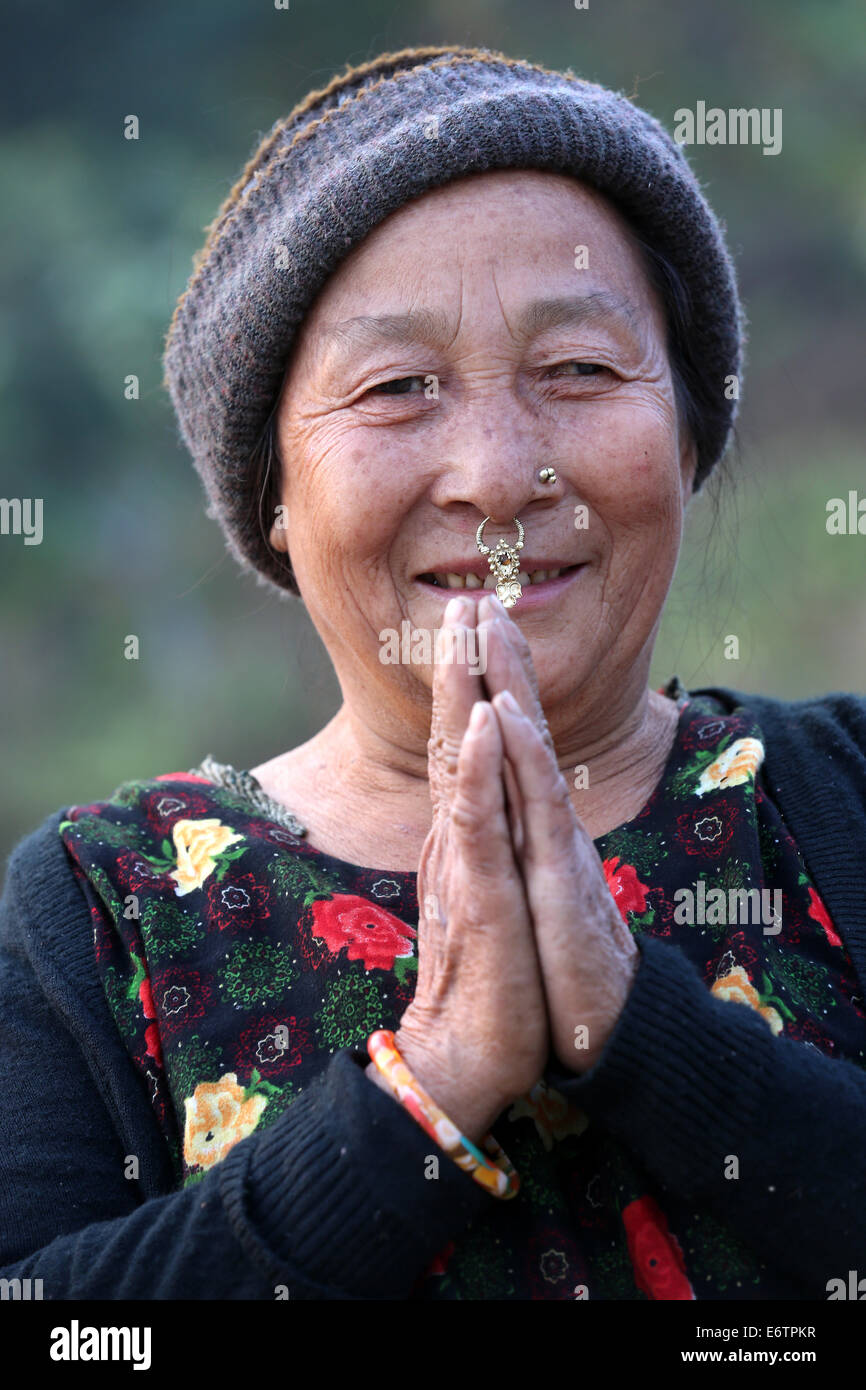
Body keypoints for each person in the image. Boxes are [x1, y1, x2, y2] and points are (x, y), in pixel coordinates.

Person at [1, 44, 864, 1302]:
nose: (500, 475)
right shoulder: (103, 906)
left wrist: (643, 1030)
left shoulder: (840, 794)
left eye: (577, 370)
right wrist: (433, 1084)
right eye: (398, 388)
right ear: (275, 495)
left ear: (684, 430)